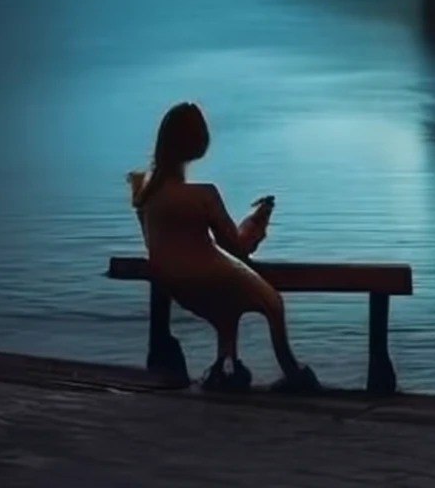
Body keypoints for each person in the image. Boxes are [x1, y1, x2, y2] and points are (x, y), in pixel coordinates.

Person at [127, 102, 319, 393]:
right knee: (272, 304)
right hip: (212, 272)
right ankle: (293, 371)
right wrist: (258, 222)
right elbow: (237, 247)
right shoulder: (204, 195)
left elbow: (157, 243)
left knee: (225, 311)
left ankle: (225, 364)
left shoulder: (147, 196)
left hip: (177, 284)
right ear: (198, 143)